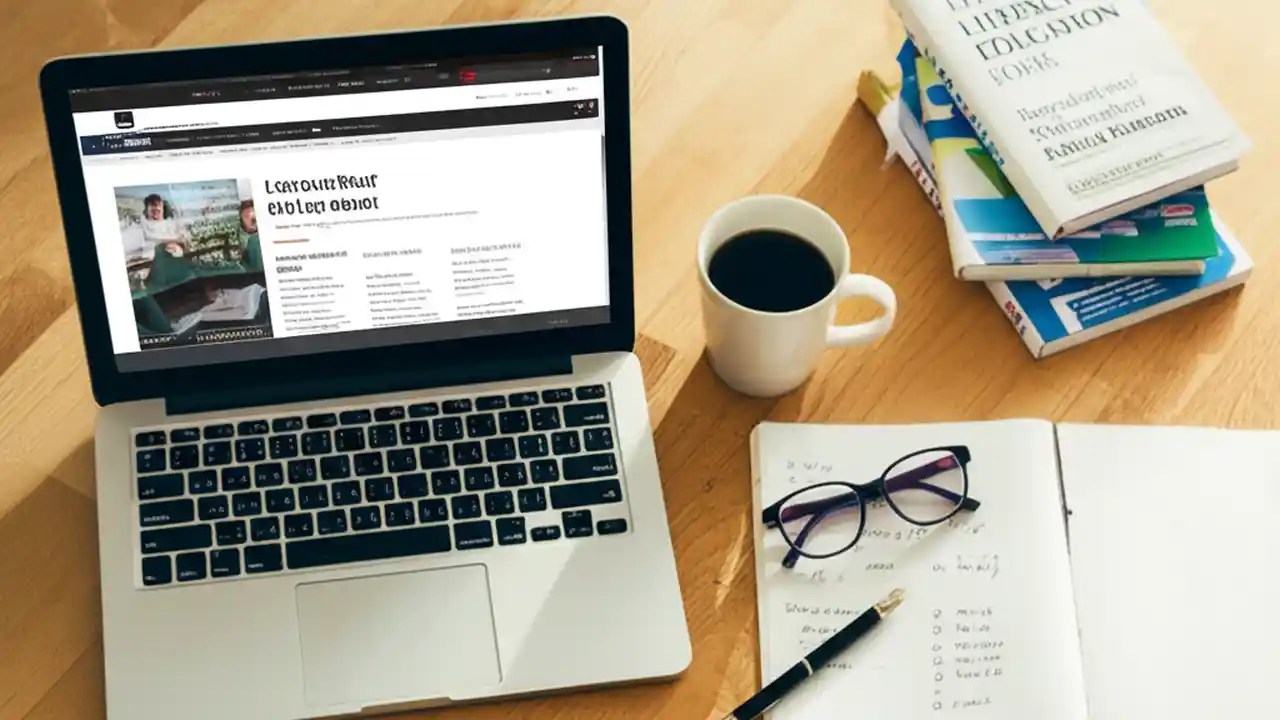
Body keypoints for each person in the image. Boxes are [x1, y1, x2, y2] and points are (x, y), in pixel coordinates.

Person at [239, 199, 263, 273]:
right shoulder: (243, 241)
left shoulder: (255, 241)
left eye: (254, 214)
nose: (252, 219)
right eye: (246, 216)